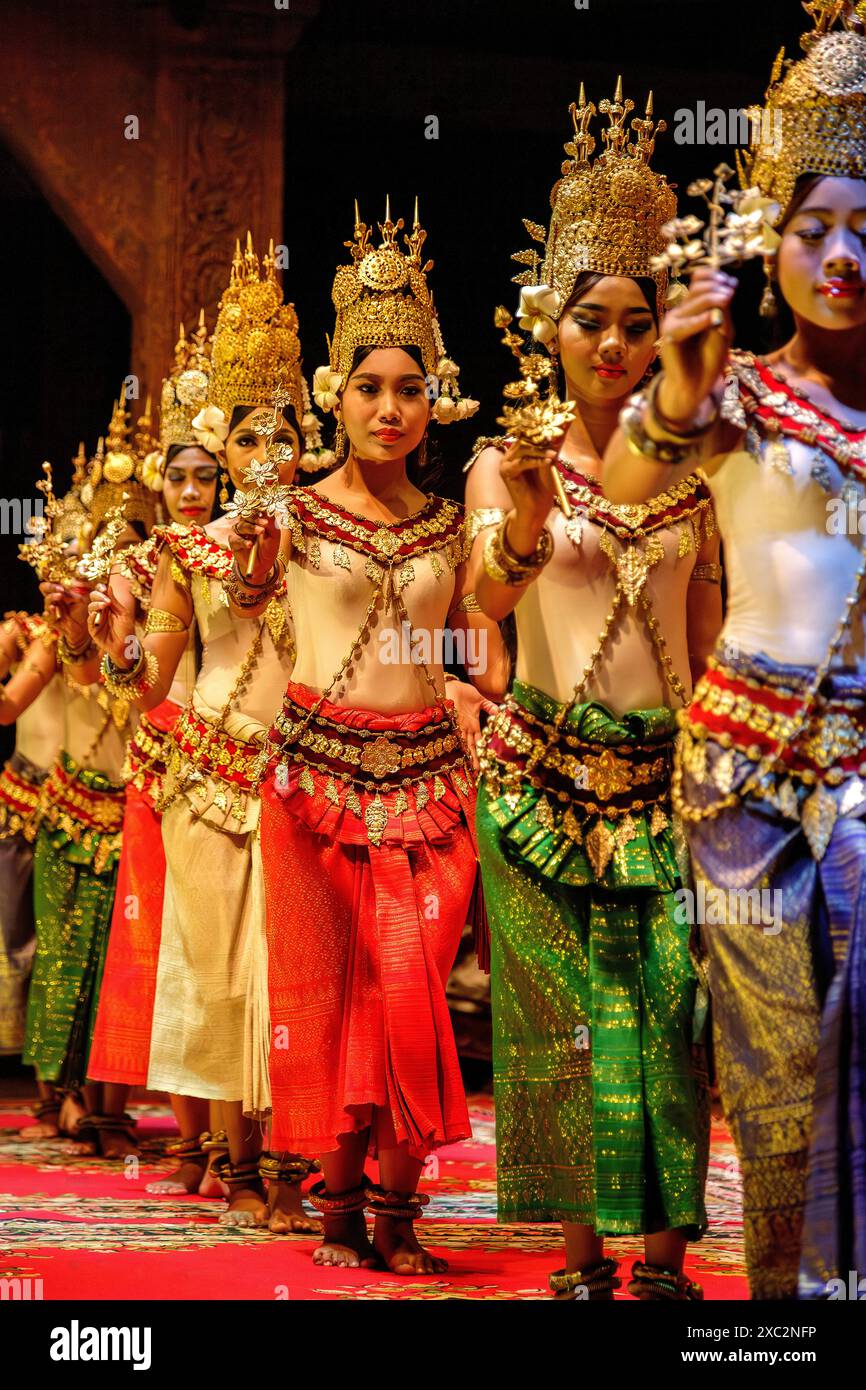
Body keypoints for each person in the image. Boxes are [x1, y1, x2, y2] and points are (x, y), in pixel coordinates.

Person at [602, 5, 866, 1298]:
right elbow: (625, 470)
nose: (843, 255)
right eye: (815, 227)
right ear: (775, 244)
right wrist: (666, 387)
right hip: (743, 782)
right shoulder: (736, 395)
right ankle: (783, 1302)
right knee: (772, 1066)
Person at [467, 81, 721, 1301]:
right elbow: (479, 606)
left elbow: (715, 633)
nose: (612, 344)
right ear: (548, 332)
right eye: (589, 323)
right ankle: (577, 1260)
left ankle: (665, 1259)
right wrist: (518, 527)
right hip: (533, 778)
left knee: (668, 1027)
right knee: (564, 1033)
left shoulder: (707, 464)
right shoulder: (506, 460)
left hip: (669, 781)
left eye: (634, 321)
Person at [230, 202, 507, 1272]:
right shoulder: (292, 514)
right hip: (313, 783)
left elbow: (465, 650)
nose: (388, 408)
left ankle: (400, 1214)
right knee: (330, 998)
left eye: (409, 387)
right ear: (329, 396)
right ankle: (338, 1206)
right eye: (367, 387)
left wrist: (479, 698)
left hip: (431, 785)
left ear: (432, 398)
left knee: (408, 996)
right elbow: (255, 599)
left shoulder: (451, 529)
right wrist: (253, 551)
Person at [88, 235, 325, 1230]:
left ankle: (296, 1165)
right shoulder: (186, 548)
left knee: (289, 971)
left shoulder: (336, 532)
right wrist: (113, 649)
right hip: (209, 774)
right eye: (246, 440)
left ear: (305, 441)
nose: (264, 456)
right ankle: (235, 1160)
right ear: (220, 451)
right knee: (220, 976)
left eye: (281, 436)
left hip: (310, 769)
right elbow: (154, 680)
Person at [86, 315, 223, 1174]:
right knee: (165, 943)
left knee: (223, 948)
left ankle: (241, 1143)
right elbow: (111, 675)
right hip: (162, 756)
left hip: (231, 751)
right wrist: (100, 638)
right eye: (177, 477)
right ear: (158, 484)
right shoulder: (140, 567)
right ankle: (192, 1139)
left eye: (207, 476)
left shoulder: (244, 555)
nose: (191, 490)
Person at [21, 400, 161, 1150]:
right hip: (72, 814)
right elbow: (21, 699)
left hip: (134, 810)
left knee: (120, 968)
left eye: (130, 552)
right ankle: (63, 1097)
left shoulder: (158, 633)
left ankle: (105, 1103)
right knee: (66, 957)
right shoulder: (63, 630)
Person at [0, 609, 64, 1062]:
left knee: (70, 948)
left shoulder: (118, 626)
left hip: (92, 804)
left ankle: (75, 1091)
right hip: (24, 801)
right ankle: (45, 1090)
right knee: (20, 941)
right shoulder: (25, 632)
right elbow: (8, 710)